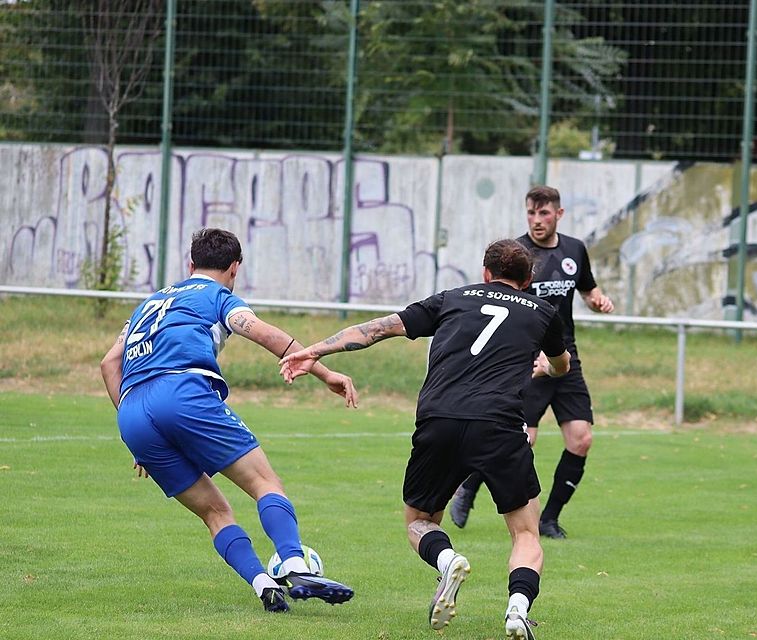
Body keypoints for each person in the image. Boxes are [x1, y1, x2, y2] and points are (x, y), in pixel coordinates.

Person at [280, 239, 571, 639]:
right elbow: (561, 365)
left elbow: (376, 330)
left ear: (485, 273)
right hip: (499, 425)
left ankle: (447, 559)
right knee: (524, 532)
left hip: (439, 420)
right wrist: (545, 368)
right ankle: (517, 609)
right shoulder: (543, 311)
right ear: (528, 279)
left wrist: (313, 351)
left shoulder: (451, 299)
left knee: (419, 521)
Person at [100, 228, 358, 613]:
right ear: (234, 268)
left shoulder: (148, 304)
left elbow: (109, 363)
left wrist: (138, 435)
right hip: (183, 392)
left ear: (190, 264)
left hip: (133, 412)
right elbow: (265, 334)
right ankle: (293, 563)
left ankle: (261, 584)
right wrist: (326, 373)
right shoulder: (219, 296)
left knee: (214, 512)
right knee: (264, 482)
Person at [450, 185, 614, 539]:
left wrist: (599, 300)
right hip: (526, 359)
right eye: (530, 213)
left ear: (559, 214)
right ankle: (469, 487)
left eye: (543, 213)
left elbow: (587, 289)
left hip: (565, 358)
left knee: (581, 439)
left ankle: (549, 518)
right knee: (521, 438)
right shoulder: (518, 256)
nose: (536, 220)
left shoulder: (575, 250)